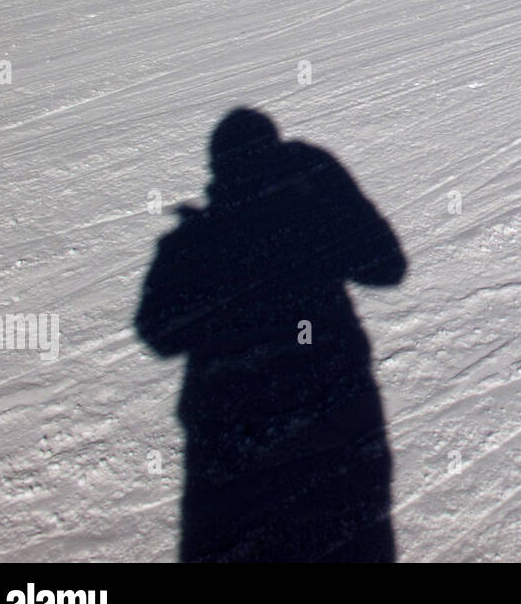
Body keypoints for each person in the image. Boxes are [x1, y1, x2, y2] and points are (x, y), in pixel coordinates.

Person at [136, 108, 407, 561]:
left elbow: (158, 332)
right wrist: (333, 185)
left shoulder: (193, 244)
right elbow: (385, 266)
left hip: (230, 455)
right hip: (333, 434)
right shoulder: (312, 221)